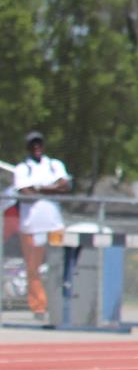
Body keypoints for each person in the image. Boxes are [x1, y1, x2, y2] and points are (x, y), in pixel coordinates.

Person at [5, 132, 71, 318]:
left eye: (39, 143)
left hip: (54, 225)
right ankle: (39, 306)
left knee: (58, 265)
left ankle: (60, 304)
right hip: (31, 227)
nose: (36, 147)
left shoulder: (54, 165)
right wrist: (50, 188)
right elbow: (26, 192)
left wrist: (39, 187)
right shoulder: (22, 168)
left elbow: (65, 186)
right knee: (33, 268)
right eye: (33, 144)